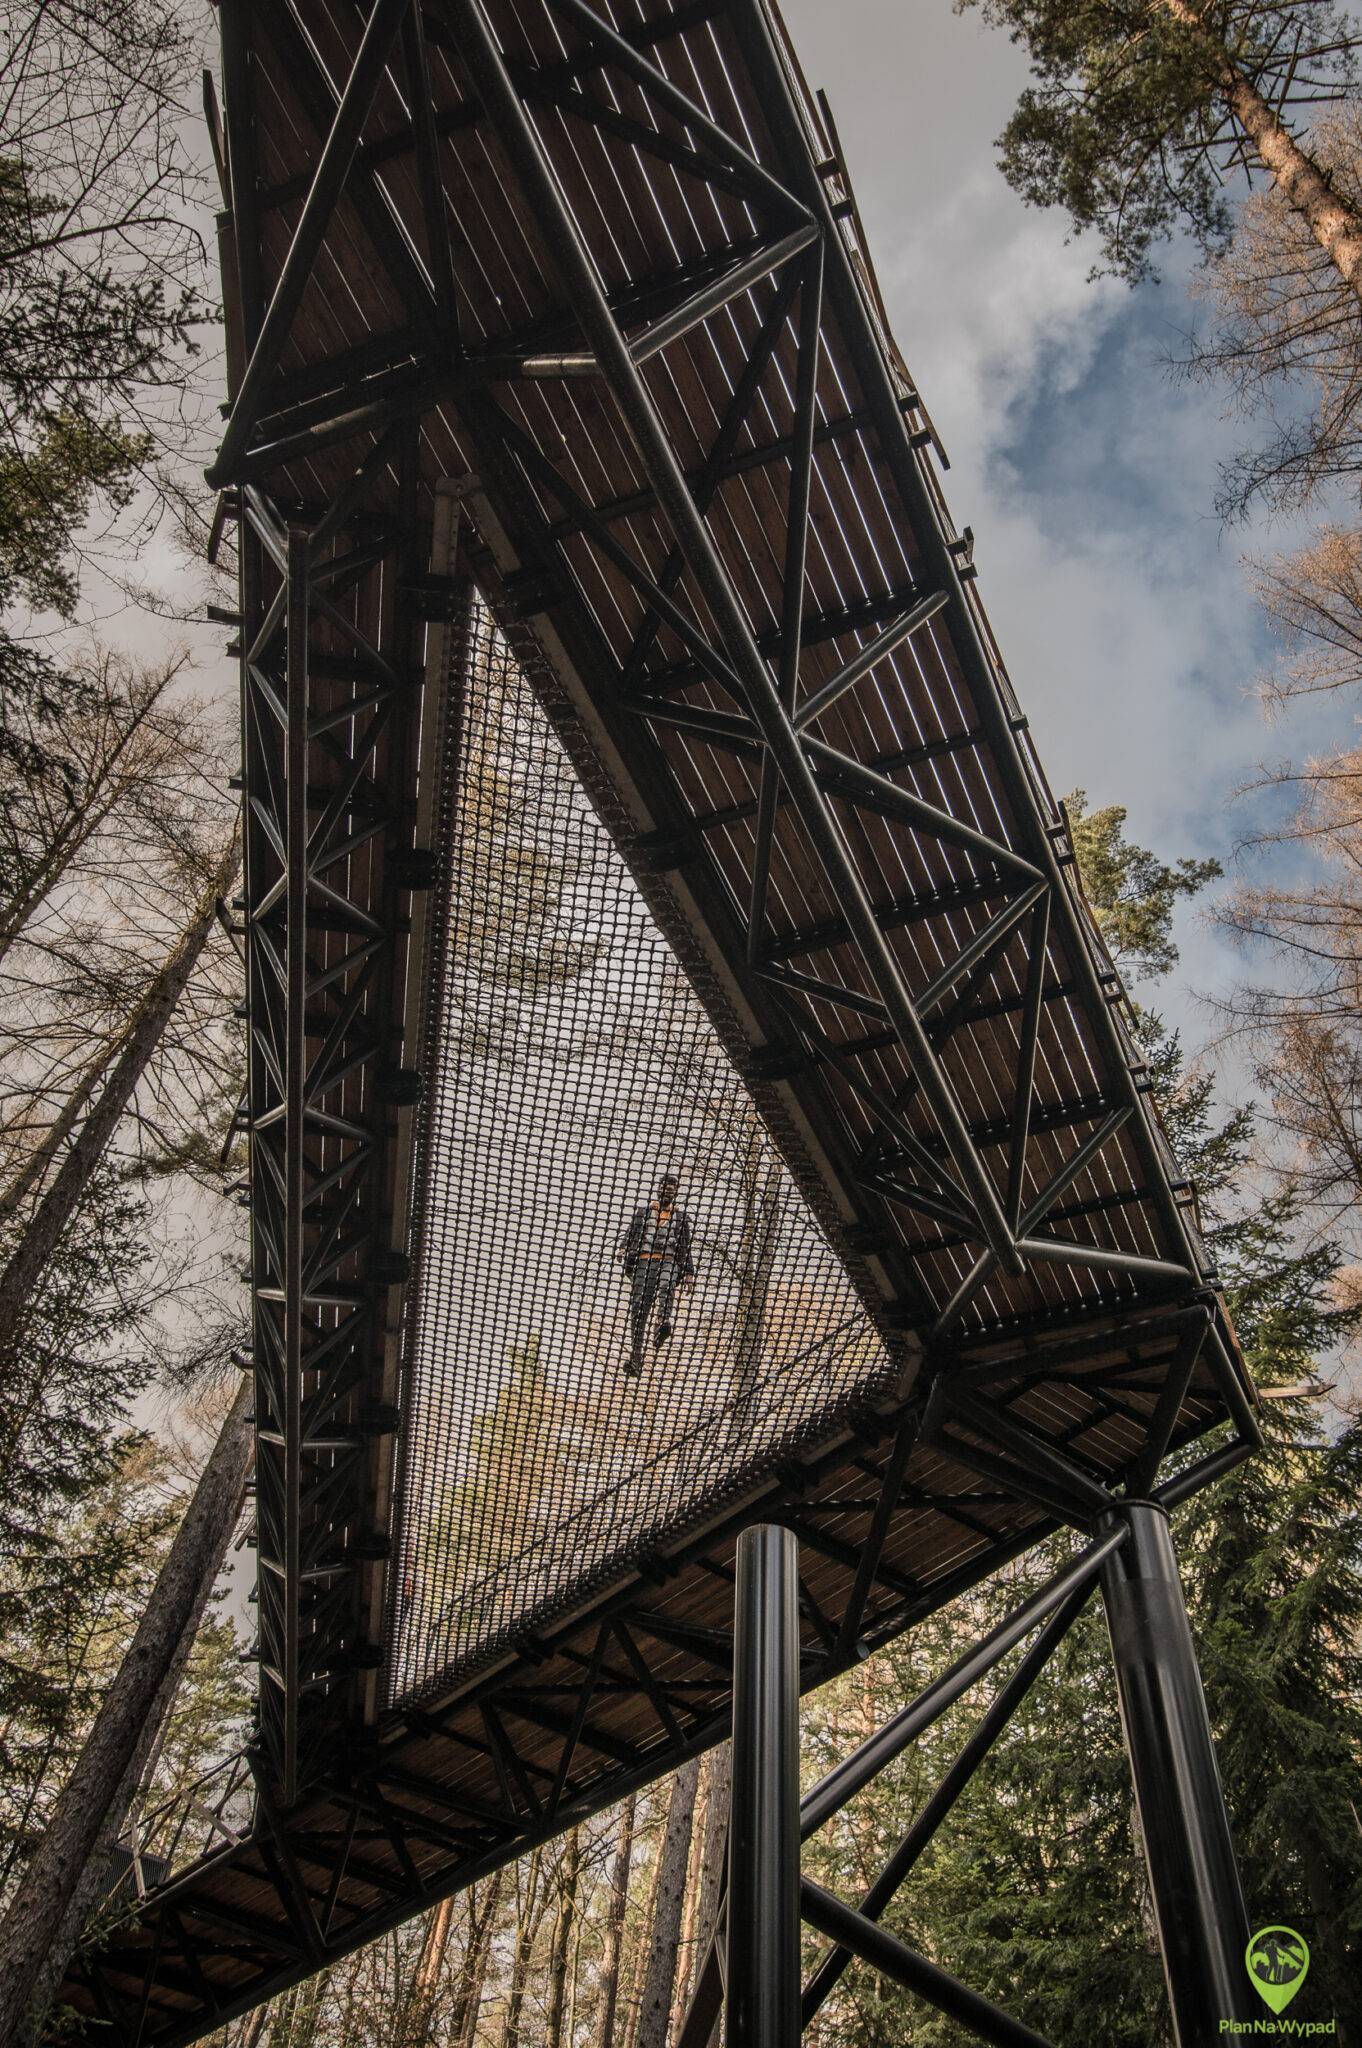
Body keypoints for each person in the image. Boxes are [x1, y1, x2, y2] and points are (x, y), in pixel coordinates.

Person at [616, 1171, 696, 1377]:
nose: (666, 1192)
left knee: (666, 1285)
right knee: (638, 1308)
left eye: (671, 1189)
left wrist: (688, 1272)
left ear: (676, 1193)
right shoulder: (643, 1213)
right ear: (658, 1188)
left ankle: (662, 1323)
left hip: (668, 1260)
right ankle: (636, 1357)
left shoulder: (680, 1218)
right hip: (644, 1261)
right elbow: (631, 1232)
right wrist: (623, 1247)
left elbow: (685, 1246)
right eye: (664, 1187)